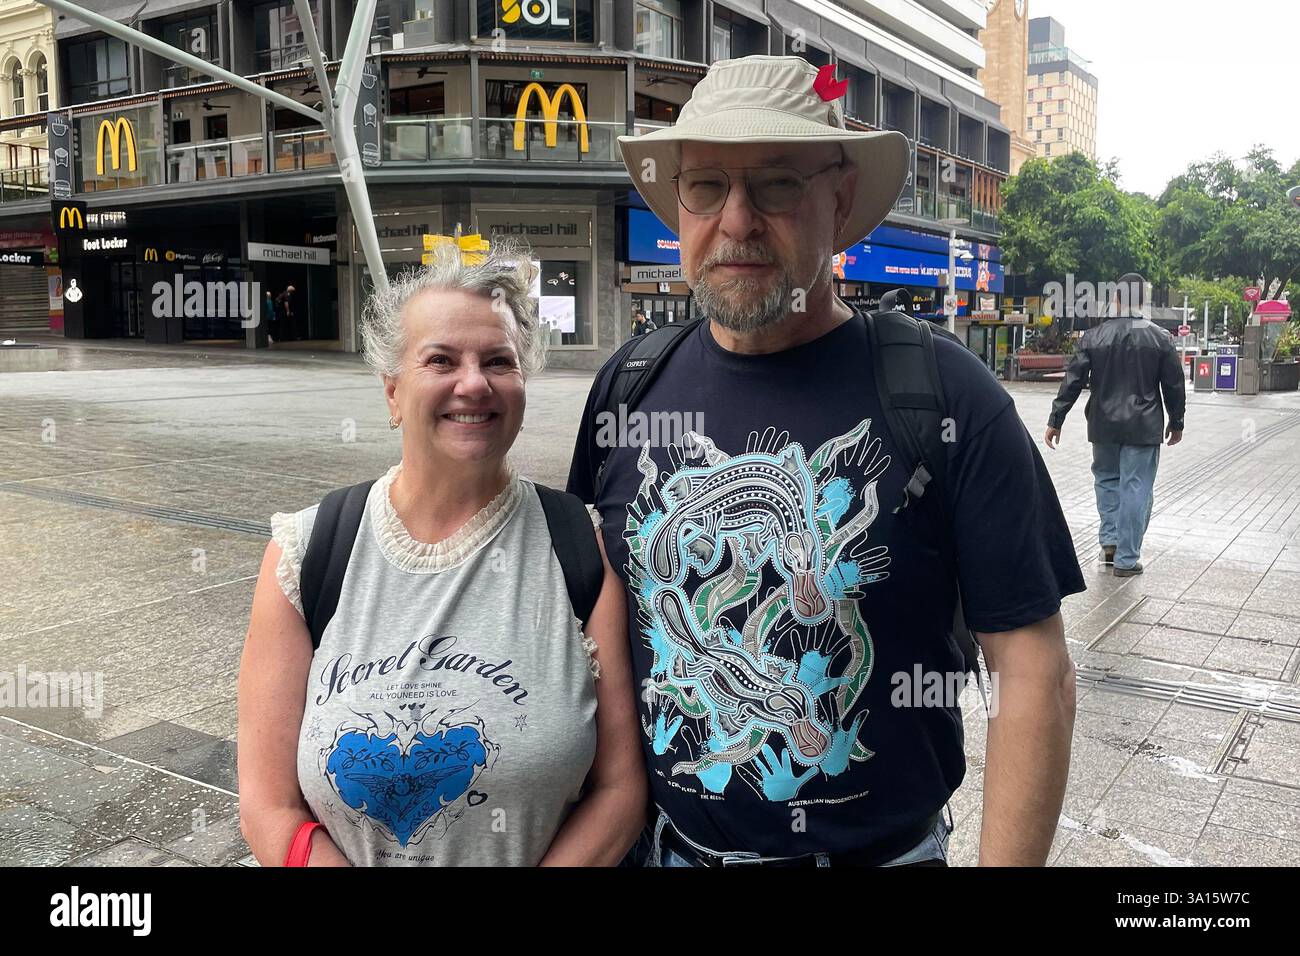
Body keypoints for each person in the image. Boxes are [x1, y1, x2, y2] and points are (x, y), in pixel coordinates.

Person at [567, 55, 1084, 867]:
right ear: (678, 207)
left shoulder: (948, 396)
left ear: (838, 199)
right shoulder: (629, 386)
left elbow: (1034, 673)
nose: (736, 221)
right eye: (706, 186)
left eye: (775, 184)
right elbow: (595, 634)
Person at [238, 241, 645, 866]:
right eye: (441, 360)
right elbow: (269, 806)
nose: (474, 382)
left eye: (499, 361)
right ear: (393, 392)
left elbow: (619, 792)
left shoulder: (576, 546)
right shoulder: (307, 553)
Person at [1045, 273, 1186, 577]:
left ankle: (1109, 544)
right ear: (1142, 301)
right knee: (1136, 487)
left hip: (1103, 424)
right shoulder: (1160, 337)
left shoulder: (1093, 337)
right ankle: (1126, 558)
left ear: (1116, 299)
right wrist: (1177, 422)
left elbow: (1073, 381)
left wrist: (1056, 419)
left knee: (1107, 481)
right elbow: (1174, 385)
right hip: (1144, 426)